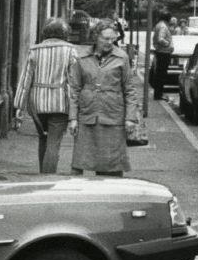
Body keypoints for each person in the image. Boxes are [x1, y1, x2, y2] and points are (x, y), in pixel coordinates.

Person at [67, 21, 141, 177]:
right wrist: (72, 118)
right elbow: (74, 89)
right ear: (95, 37)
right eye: (105, 38)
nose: (109, 42)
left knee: (111, 166)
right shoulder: (82, 57)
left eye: (112, 39)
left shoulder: (122, 57)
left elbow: (130, 89)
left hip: (112, 116)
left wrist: (130, 118)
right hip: (87, 116)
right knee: (80, 163)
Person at [13, 17, 78, 174]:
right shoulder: (70, 50)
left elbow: (25, 80)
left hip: (37, 104)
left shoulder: (35, 50)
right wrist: (77, 110)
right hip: (60, 103)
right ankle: (48, 177)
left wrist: (18, 106)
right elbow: (74, 81)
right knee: (54, 143)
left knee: (43, 138)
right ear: (65, 33)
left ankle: (43, 174)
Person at [150, 13, 173, 100]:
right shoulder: (163, 26)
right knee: (161, 75)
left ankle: (158, 94)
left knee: (159, 74)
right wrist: (167, 44)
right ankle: (159, 94)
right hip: (164, 52)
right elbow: (160, 39)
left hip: (160, 51)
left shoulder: (158, 25)